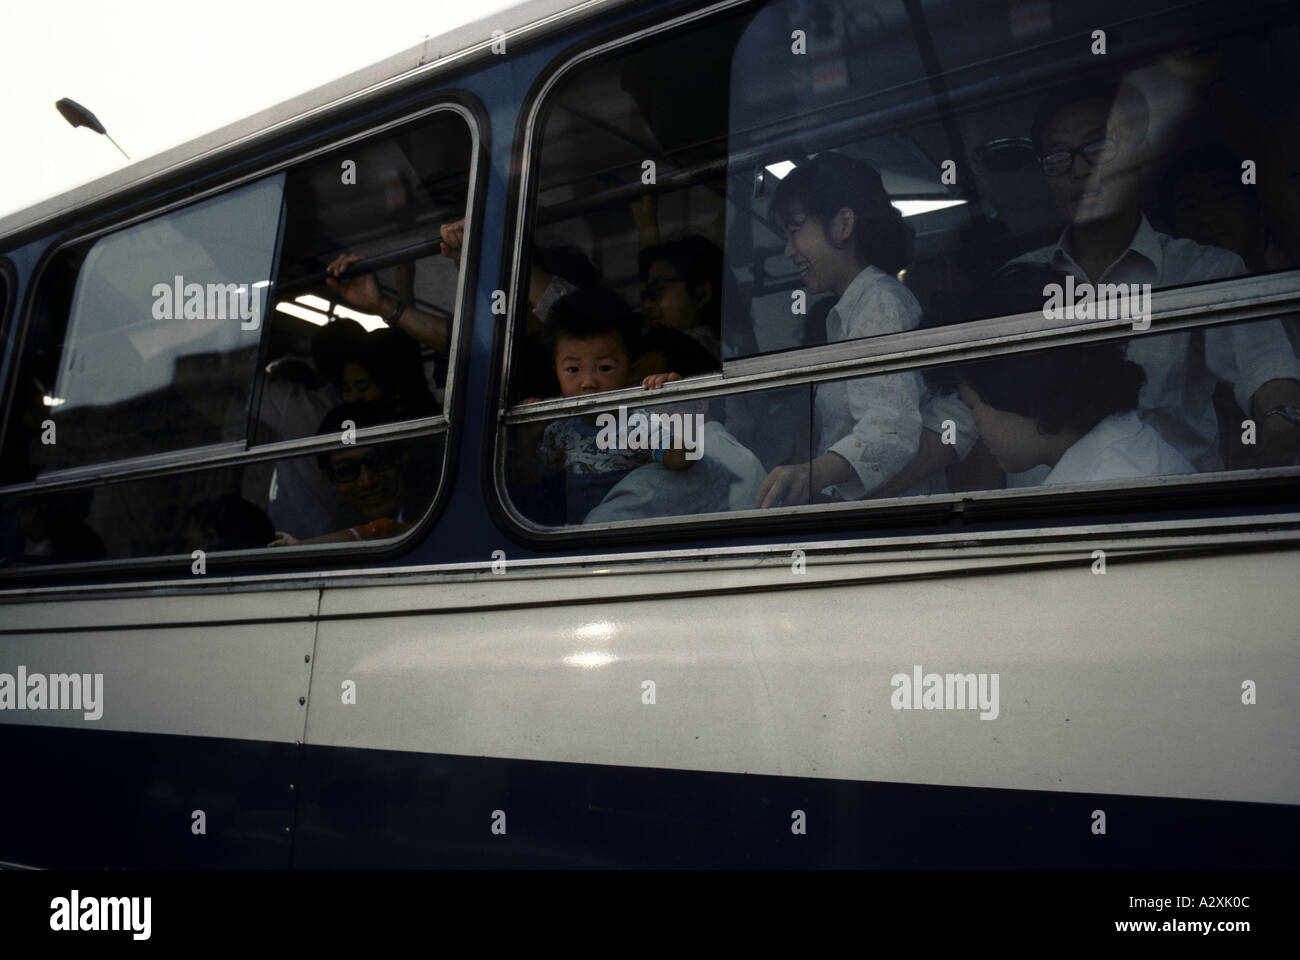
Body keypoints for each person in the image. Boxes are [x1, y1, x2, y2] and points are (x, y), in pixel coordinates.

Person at [1007, 78, 1300, 472]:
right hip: (1050, 513)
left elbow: (1264, 362)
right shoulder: (1017, 280)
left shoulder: (1202, 270)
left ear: (1140, 155)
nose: (1079, 168)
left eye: (1098, 146)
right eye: (1057, 156)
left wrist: (1280, 417)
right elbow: (980, 408)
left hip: (1166, 512)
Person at [753, 151, 924, 507]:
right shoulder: (852, 308)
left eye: (795, 229)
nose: (788, 250)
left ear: (843, 225)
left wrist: (812, 474)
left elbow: (890, 427)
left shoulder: (879, 301)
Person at [515, 288, 697, 524]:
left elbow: (683, 459)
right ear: (555, 372)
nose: (588, 382)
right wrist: (527, 438)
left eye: (605, 368)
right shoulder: (559, 431)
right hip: (583, 547)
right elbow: (533, 482)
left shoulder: (638, 422)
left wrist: (677, 404)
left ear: (631, 370)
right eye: (573, 370)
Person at [955, 342, 1195, 485]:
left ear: (1021, 396)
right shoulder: (1129, 443)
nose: (975, 424)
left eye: (973, 406)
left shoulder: (1095, 490)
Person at [268, 401, 417, 546]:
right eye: (347, 470)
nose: (367, 481)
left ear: (403, 457)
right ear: (329, 479)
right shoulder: (340, 528)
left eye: (378, 460)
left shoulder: (429, 506)